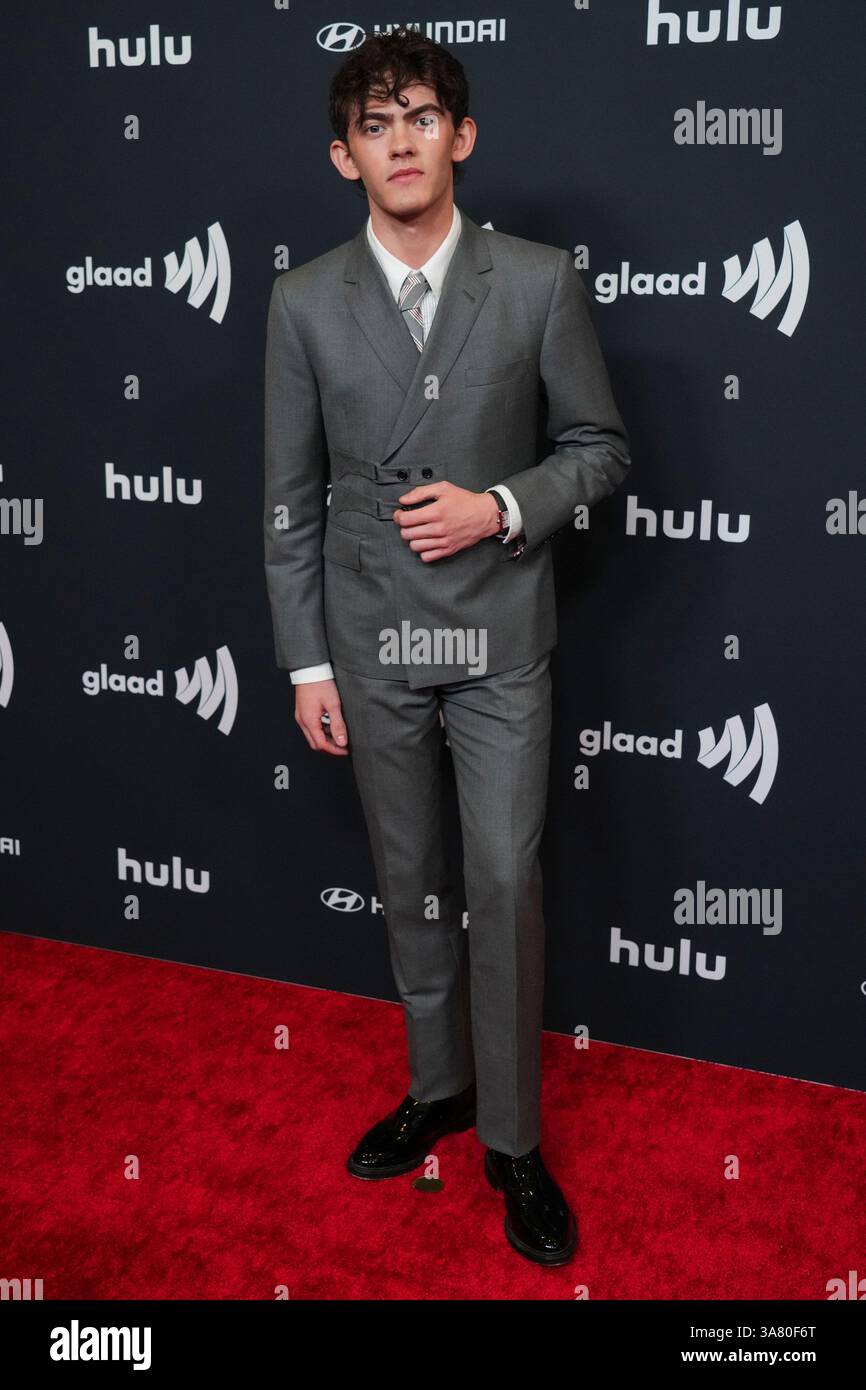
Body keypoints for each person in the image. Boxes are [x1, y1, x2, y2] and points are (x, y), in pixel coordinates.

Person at [263, 26, 630, 1266]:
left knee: (502, 884)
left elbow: (599, 448)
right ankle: (439, 1089)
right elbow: (285, 498)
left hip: (498, 640)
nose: (401, 139)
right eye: (376, 124)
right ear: (343, 155)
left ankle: (511, 1144)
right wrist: (308, 663)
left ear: (459, 137)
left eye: (420, 115)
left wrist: (502, 506)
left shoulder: (534, 281)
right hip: (367, 649)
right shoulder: (302, 301)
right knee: (409, 879)